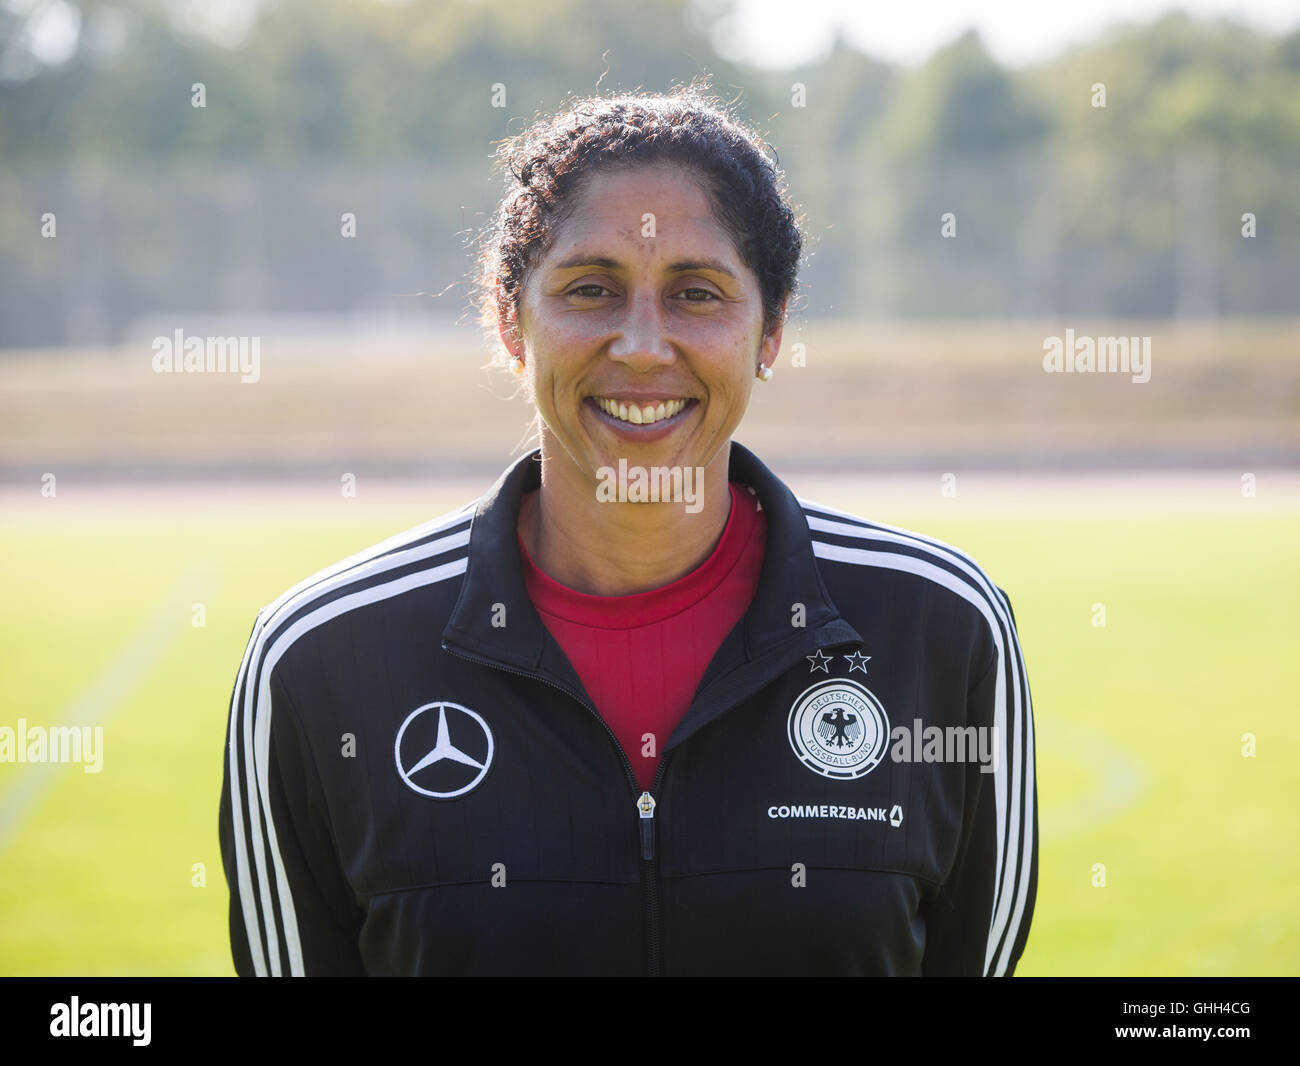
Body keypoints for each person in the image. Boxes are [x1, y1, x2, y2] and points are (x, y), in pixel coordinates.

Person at [218, 82, 1037, 976]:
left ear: (772, 329)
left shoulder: (942, 630)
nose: (643, 346)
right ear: (509, 320)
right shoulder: (321, 659)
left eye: (696, 293)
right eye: (592, 288)